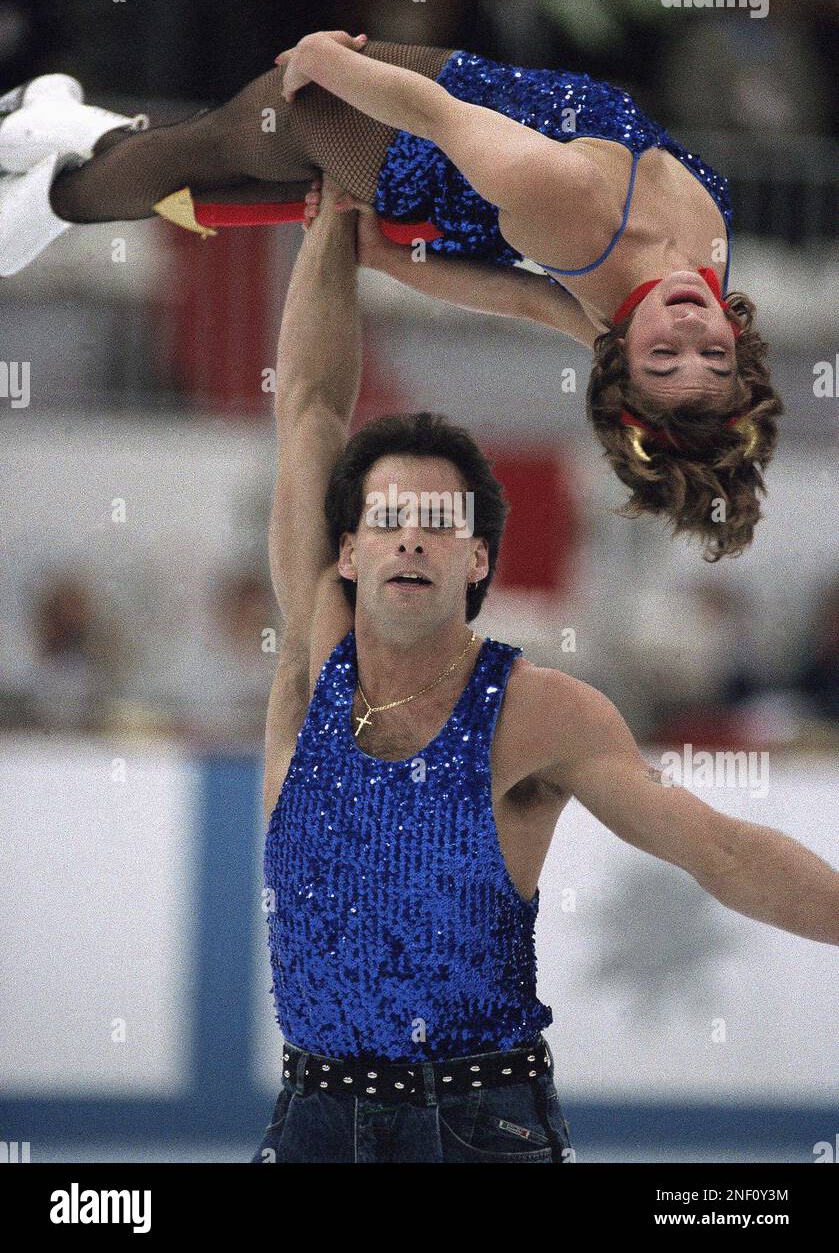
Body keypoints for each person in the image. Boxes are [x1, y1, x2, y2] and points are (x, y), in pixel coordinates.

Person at [250, 175, 836, 1165]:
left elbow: (720, 852)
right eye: (389, 519)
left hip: (481, 1126)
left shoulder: (536, 712)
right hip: (312, 1118)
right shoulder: (313, 672)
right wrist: (334, 219)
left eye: (440, 524)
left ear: (479, 559)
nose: (411, 540)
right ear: (345, 552)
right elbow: (307, 406)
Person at [0, 34, 782, 557]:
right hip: (471, 129)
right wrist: (399, 261)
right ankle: (59, 124)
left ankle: (53, 199)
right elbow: (523, 301)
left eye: (663, 353)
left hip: (403, 143)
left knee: (214, 150)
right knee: (211, 158)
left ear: (621, 359)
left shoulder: (571, 205)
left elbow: (432, 114)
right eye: (708, 350)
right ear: (738, 351)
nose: (686, 321)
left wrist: (324, 62)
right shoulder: (656, 311)